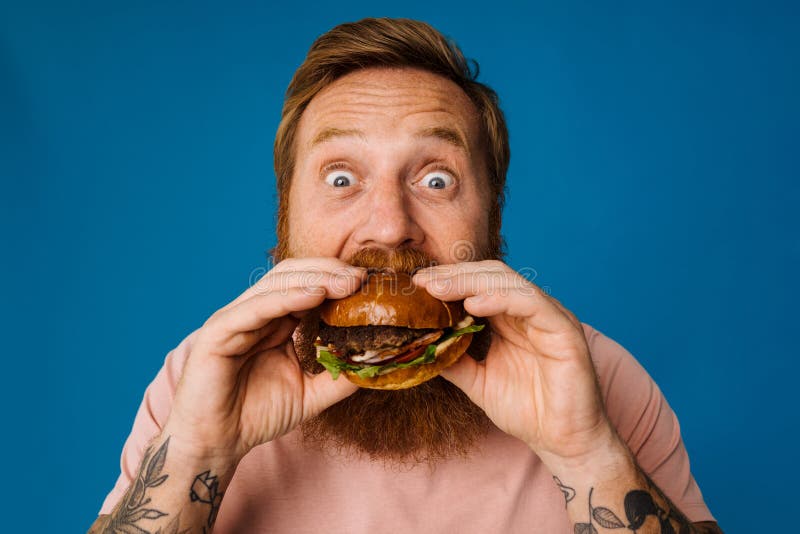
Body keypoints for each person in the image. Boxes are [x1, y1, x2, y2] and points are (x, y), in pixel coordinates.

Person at [89, 18, 722, 534]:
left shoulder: (598, 377)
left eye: (436, 179)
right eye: (341, 179)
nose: (390, 227)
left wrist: (588, 454)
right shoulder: (203, 376)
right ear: (286, 214)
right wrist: (200, 451)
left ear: (493, 213)